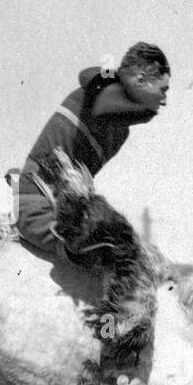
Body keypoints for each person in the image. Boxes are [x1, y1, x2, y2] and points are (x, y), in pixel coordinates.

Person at [15, 42, 169, 257]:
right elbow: (97, 86)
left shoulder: (120, 133)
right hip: (37, 205)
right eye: (162, 90)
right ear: (141, 80)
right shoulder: (98, 88)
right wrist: (146, 110)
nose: (165, 101)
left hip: (63, 208)